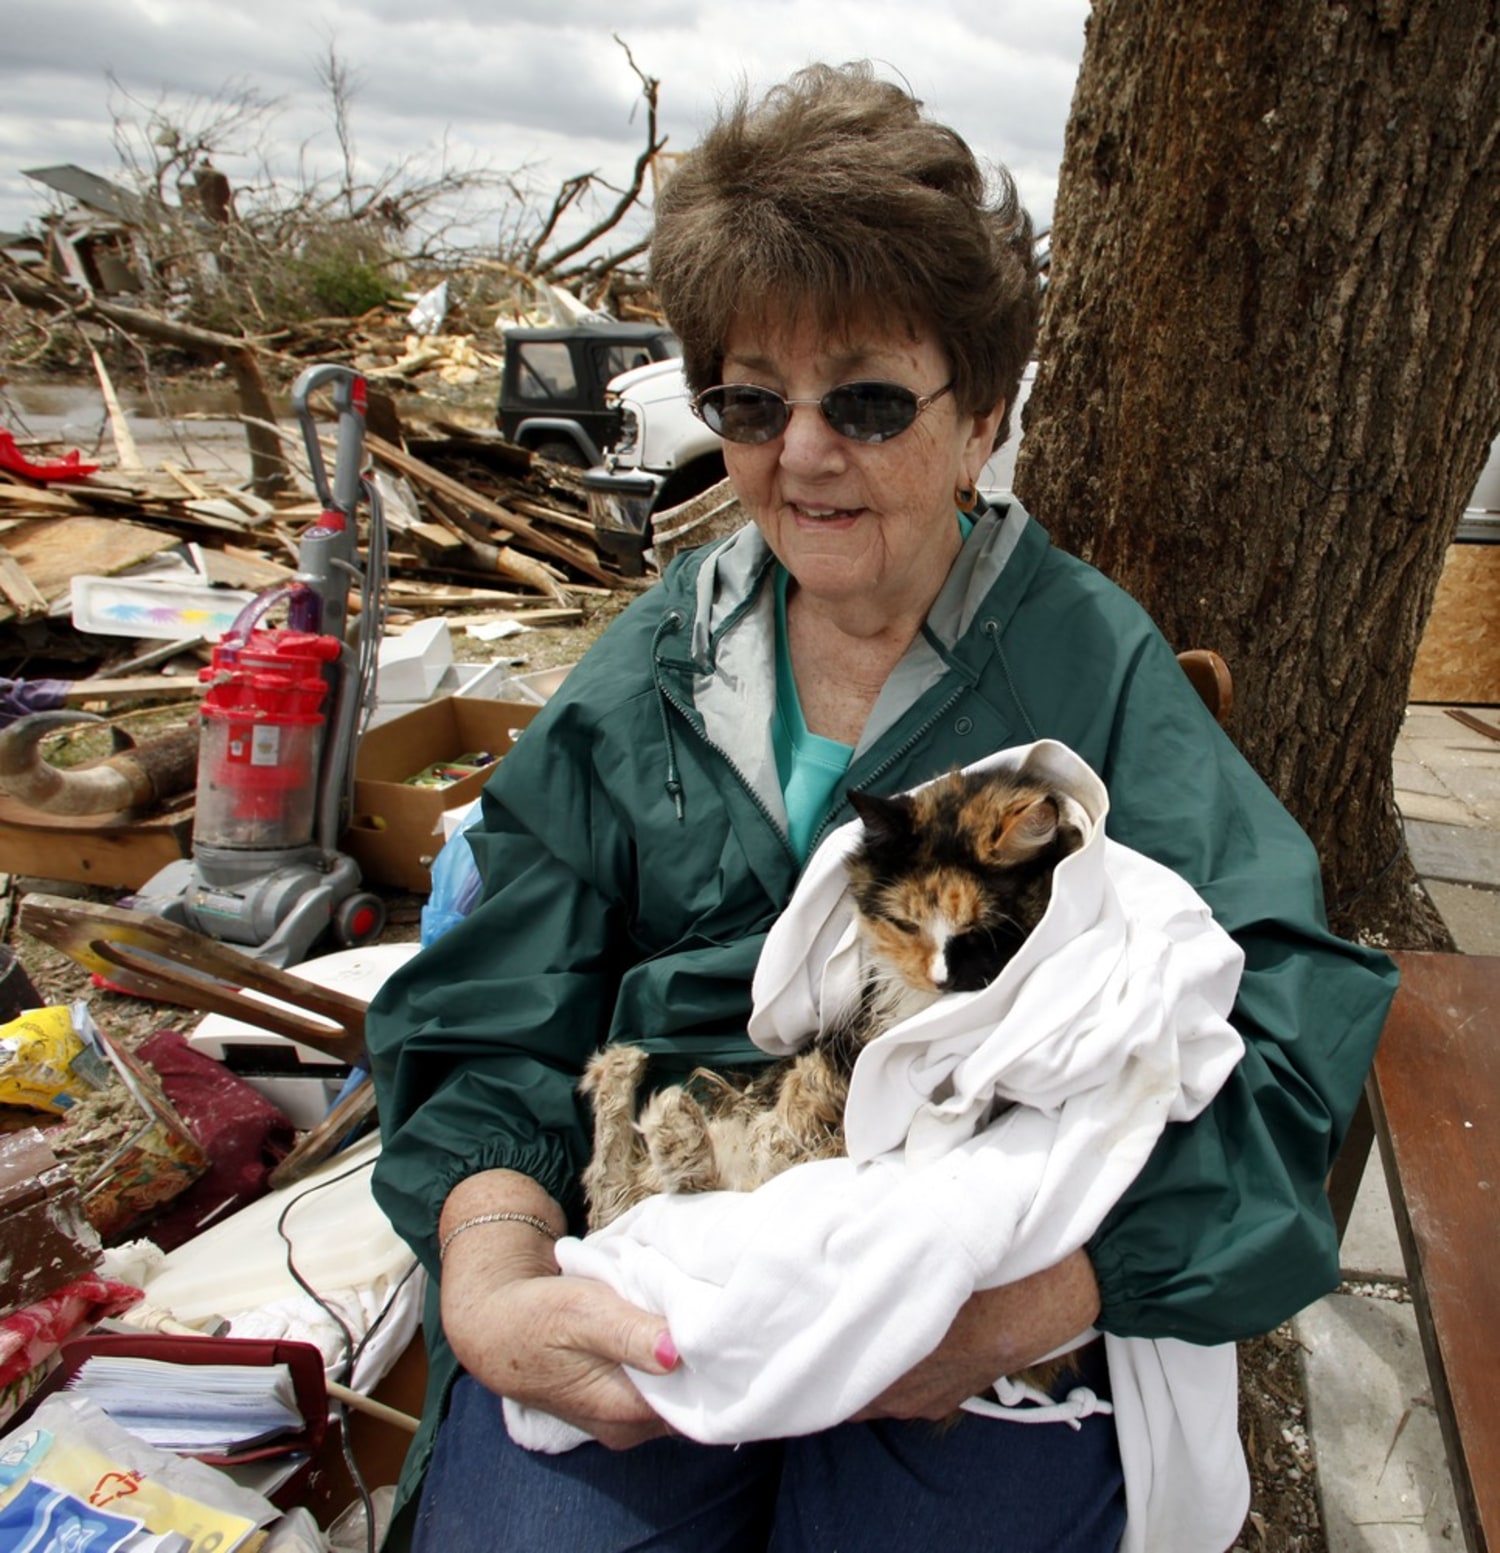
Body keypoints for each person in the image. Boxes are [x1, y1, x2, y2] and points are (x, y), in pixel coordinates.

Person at [366, 62, 1395, 1553]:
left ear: (979, 415)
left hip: (981, 1268)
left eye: (863, 396)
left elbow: (1291, 1022)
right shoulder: (653, 667)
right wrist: (495, 1267)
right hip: (669, 1227)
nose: (799, 452)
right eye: (747, 399)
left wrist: (1024, 1307)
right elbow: (494, 1002)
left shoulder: (1085, 666)